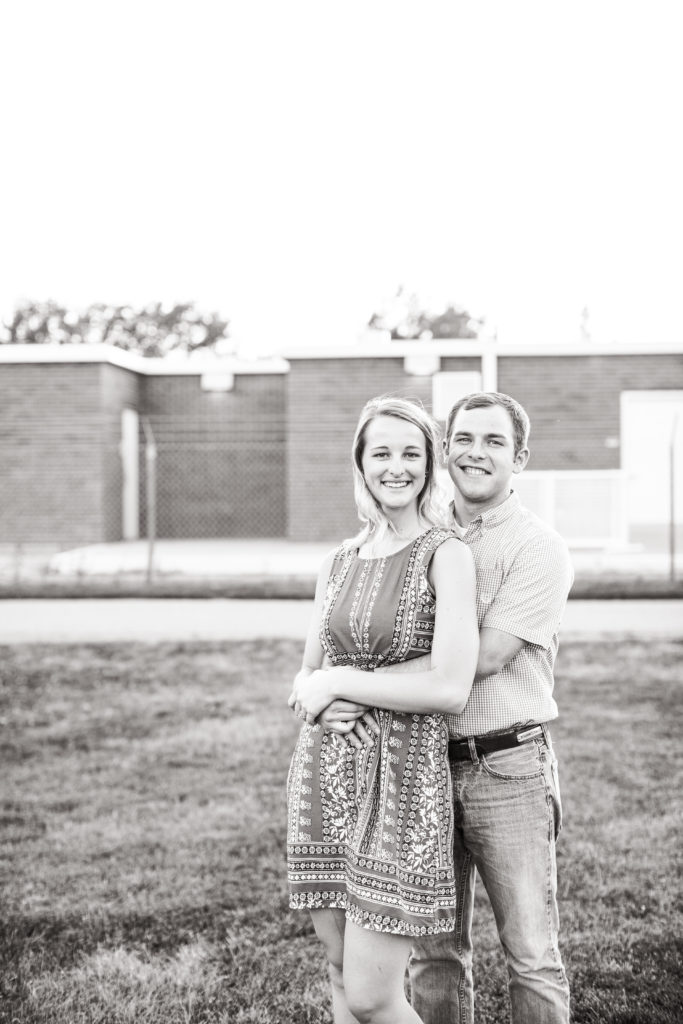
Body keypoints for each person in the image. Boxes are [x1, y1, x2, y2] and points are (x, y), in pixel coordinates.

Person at [325, 391, 574, 1024]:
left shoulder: (538, 547)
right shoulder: (421, 531)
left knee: (531, 953)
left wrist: (345, 684)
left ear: (520, 457)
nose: (475, 453)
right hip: (421, 768)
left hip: (505, 768)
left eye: (494, 442)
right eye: (464, 438)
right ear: (446, 446)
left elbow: (477, 661)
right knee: (434, 952)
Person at [286, 395, 479, 1024]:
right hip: (325, 776)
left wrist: (342, 682)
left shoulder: (446, 555)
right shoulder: (337, 562)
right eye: (381, 453)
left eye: (411, 454)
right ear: (361, 463)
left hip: (402, 786)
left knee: (375, 996)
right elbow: (305, 677)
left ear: (429, 466)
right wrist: (318, 700)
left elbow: (451, 685)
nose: (396, 467)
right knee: (342, 978)